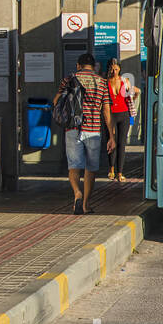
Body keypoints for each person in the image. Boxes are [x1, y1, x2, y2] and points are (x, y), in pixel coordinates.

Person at [54, 52, 115, 215]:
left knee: (74, 166)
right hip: (94, 129)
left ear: (78, 65)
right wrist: (111, 136)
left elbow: (56, 101)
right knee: (91, 168)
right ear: (94, 66)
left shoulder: (69, 79)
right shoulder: (102, 82)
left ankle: (77, 193)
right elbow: (107, 110)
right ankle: (86, 204)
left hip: (73, 128)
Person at [104, 58, 133, 182]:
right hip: (111, 114)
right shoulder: (105, 82)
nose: (114, 71)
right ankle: (111, 168)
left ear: (120, 69)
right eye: (112, 68)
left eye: (116, 68)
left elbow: (131, 95)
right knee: (111, 141)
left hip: (124, 114)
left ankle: (120, 172)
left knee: (122, 143)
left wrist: (134, 93)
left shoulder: (125, 81)